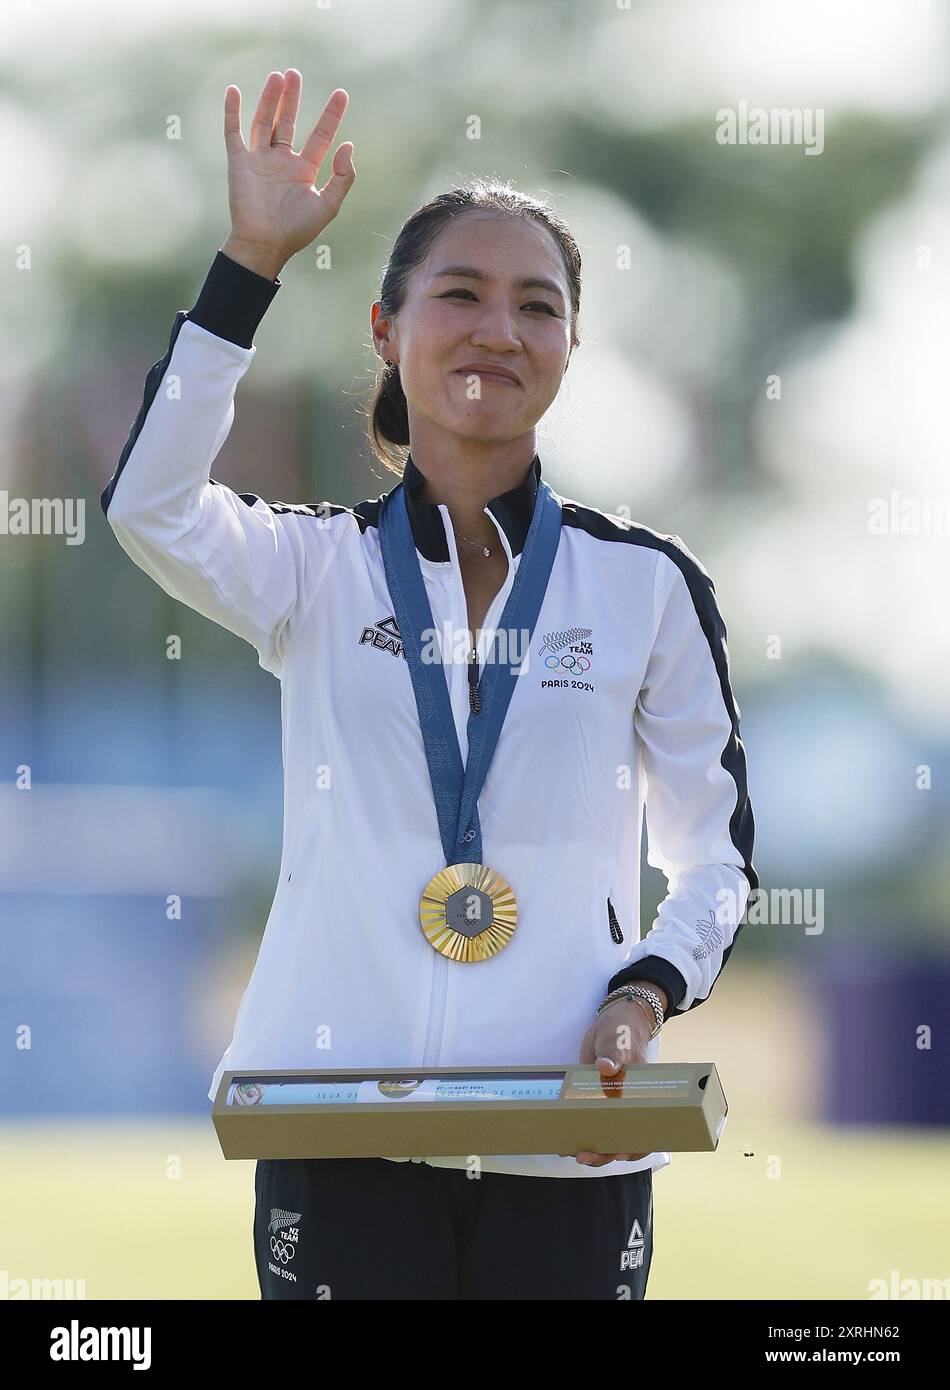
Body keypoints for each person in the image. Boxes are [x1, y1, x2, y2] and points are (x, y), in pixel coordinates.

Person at [100, 70, 757, 1301]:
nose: (497, 330)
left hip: (570, 1133)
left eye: (537, 305)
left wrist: (642, 996)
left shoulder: (646, 587)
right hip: (331, 1124)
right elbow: (149, 505)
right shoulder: (313, 569)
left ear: (569, 345)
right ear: (385, 329)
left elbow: (714, 859)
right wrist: (247, 263)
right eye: (459, 294)